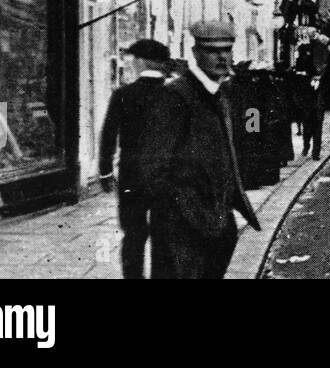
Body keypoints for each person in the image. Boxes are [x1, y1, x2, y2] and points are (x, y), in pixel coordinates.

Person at [145, 21, 261, 279]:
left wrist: (225, 217)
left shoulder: (221, 94)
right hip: (182, 230)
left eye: (227, 49)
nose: (222, 56)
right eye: (212, 50)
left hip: (217, 224)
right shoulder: (174, 96)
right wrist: (192, 215)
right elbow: (154, 170)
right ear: (196, 53)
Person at [99, 39, 171, 279]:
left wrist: (105, 171)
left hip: (132, 173)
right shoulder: (174, 95)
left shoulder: (123, 94)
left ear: (140, 62)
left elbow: (108, 135)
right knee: (163, 234)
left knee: (133, 234)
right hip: (166, 174)